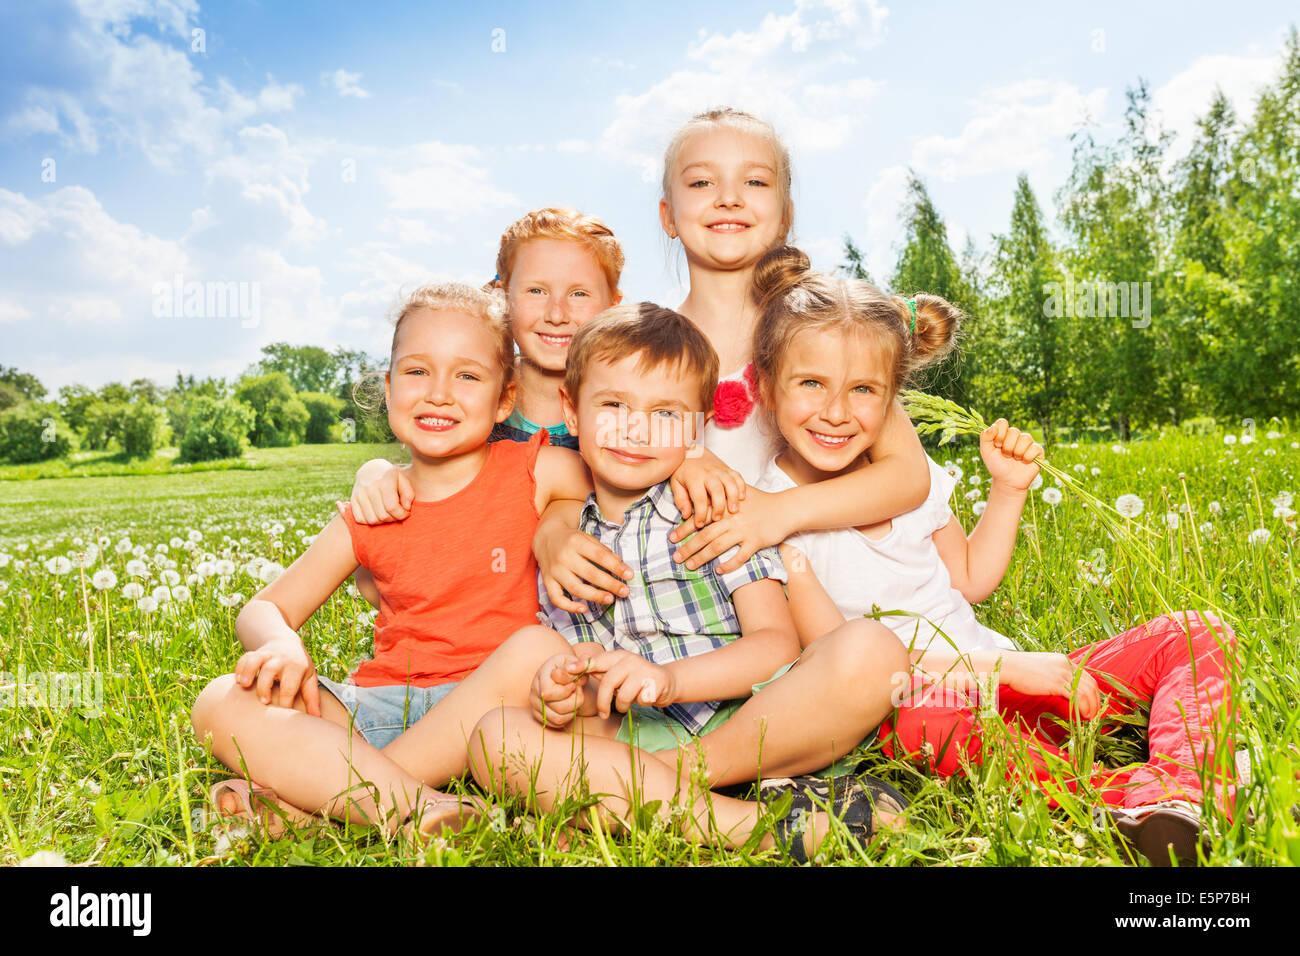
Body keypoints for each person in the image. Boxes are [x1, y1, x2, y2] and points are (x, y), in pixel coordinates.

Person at [746, 244, 1237, 866]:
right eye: (811, 383)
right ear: (766, 386)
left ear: (893, 395)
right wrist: (997, 672)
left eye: (864, 389)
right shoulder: (774, 516)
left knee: (1197, 633)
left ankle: (1182, 788)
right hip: (920, 701)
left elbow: (972, 578)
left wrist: (1007, 490)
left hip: (1020, 677)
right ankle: (1141, 799)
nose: (837, 412)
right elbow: (836, 658)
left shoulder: (908, 479)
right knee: (923, 720)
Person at [466, 303, 908, 860]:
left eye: (665, 414)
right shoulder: (564, 538)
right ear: (571, 412)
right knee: (495, 739)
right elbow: (578, 677)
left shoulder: (711, 508)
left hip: (756, 722)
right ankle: (760, 826)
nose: (634, 428)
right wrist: (559, 692)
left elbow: (775, 644)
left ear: (698, 429)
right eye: (612, 405)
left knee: (872, 648)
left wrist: (669, 681)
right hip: (629, 733)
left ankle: (659, 787)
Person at [191, 282, 595, 840]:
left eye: (468, 376)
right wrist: (281, 644)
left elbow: (616, 478)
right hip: (376, 710)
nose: (439, 394)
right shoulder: (368, 510)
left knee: (539, 649)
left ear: (506, 399)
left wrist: (694, 461)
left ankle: (322, 806)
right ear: (386, 388)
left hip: (493, 711)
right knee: (220, 703)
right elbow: (265, 607)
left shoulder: (537, 469)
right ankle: (417, 802)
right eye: (417, 372)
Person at [530, 107, 932, 638]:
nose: (729, 197)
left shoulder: (821, 331)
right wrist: (553, 533)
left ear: (785, 214)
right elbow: (571, 460)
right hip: (697, 608)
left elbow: (906, 476)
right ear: (667, 216)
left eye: (755, 181)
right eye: (701, 181)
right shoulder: (646, 347)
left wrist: (777, 513)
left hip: (842, 589)